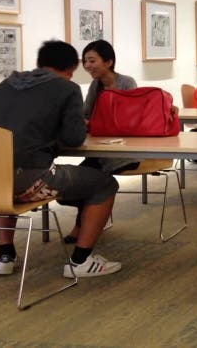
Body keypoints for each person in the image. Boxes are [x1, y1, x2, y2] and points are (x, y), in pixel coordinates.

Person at [0, 40, 121, 278]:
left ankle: (6, 255)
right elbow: (74, 137)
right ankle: (80, 261)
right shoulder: (67, 88)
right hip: (30, 180)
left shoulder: (6, 84)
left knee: (4, 171)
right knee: (106, 184)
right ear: (69, 70)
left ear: (39, 64)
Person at [68, 41, 140, 244]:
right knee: (87, 176)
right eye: (85, 61)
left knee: (88, 177)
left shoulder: (127, 83)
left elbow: (131, 120)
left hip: (125, 152)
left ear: (108, 62)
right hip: (101, 150)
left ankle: (81, 226)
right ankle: (89, 221)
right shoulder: (95, 85)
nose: (87, 66)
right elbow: (85, 114)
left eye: (92, 60)